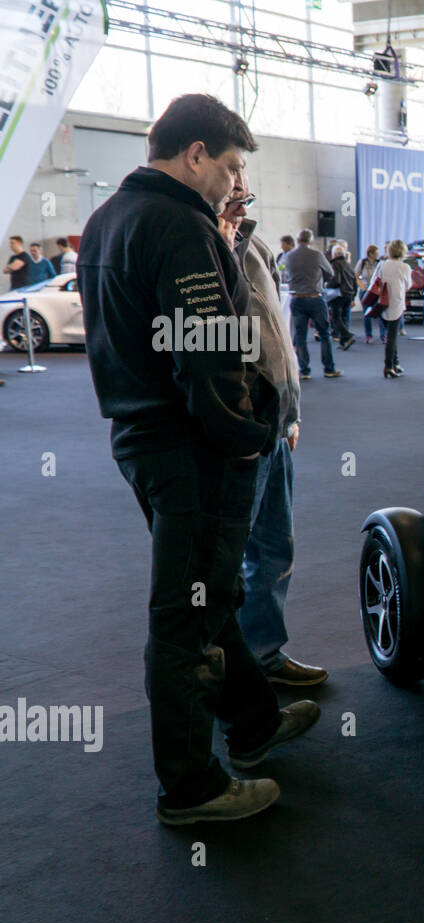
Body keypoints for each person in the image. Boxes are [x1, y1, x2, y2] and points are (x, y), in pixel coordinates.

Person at [77, 93, 319, 825]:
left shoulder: (106, 220)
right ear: (196, 156)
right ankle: (190, 787)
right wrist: (249, 434)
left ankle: (250, 725)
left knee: (207, 595)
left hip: (141, 438)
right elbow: (207, 359)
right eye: (231, 166)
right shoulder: (179, 226)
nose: (233, 182)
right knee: (186, 617)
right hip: (194, 450)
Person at [216, 178, 329, 689]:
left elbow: (275, 336)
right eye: (231, 176)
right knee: (228, 560)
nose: (241, 188)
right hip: (236, 431)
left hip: (274, 426)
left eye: (245, 181)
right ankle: (231, 672)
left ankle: (262, 655)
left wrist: (290, 414)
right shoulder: (197, 245)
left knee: (273, 549)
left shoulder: (255, 243)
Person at [284, 228, 341, 379]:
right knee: (324, 334)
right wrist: (320, 280)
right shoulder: (317, 255)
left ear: (297, 240)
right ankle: (329, 368)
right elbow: (330, 273)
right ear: (311, 241)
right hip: (315, 297)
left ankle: (304, 371)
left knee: (300, 336)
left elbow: (285, 274)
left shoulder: (288, 256)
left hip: (296, 298)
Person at [376, 238, 412, 378]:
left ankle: (395, 363)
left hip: (382, 302)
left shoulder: (382, 265)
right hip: (396, 303)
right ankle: (388, 366)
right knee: (392, 336)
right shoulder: (404, 267)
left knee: (391, 335)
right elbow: (408, 285)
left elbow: (376, 280)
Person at [328, 243, 358, 350]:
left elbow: (336, 280)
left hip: (338, 294)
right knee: (344, 318)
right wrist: (354, 296)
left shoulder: (335, 264)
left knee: (336, 318)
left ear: (334, 254)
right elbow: (355, 282)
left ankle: (348, 336)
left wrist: (328, 286)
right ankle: (343, 341)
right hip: (349, 294)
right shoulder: (348, 264)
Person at [355, 244, 381, 343]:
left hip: (376, 290)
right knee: (367, 314)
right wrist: (363, 287)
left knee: (379, 312)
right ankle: (368, 335)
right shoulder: (362, 262)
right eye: (376, 253)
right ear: (371, 253)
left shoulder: (379, 263)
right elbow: (356, 276)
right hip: (365, 290)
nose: (377, 255)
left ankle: (383, 335)